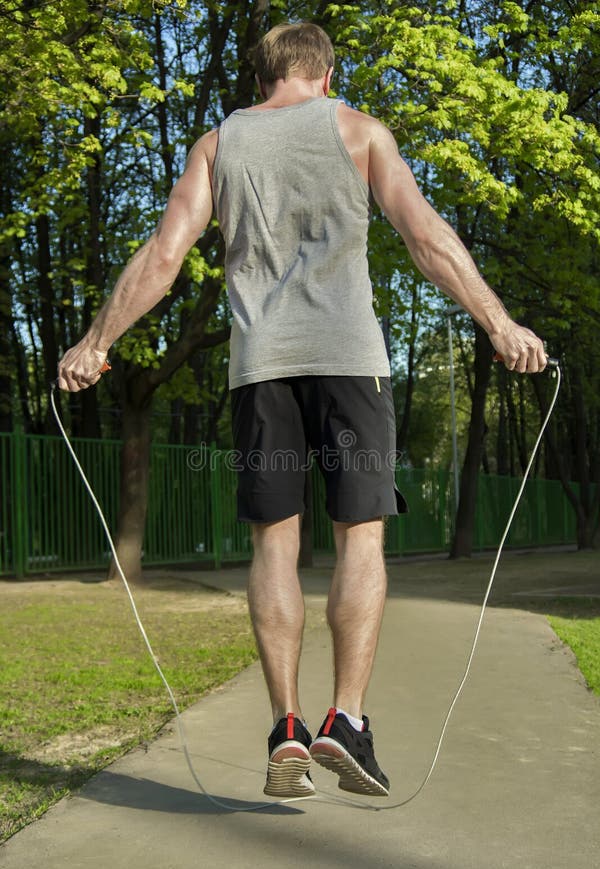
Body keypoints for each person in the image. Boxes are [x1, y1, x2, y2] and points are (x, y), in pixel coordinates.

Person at [58, 22, 547, 799]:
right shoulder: (358, 130)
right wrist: (500, 322)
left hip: (261, 372)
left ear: (260, 79)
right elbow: (424, 235)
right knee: (360, 539)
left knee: (273, 549)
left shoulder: (218, 146)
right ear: (326, 74)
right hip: (351, 363)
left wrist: (94, 341)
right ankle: (345, 720)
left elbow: (164, 253)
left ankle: (286, 726)